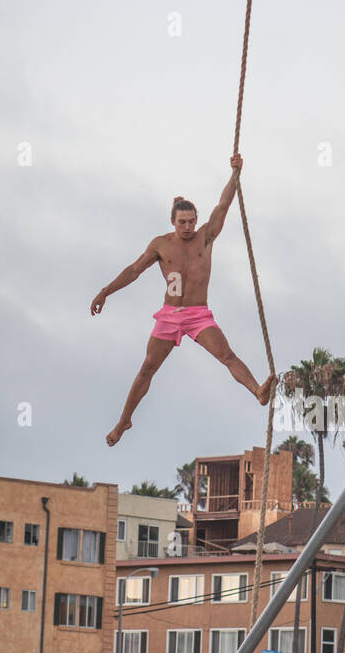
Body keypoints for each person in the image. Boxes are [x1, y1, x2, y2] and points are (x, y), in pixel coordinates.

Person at [91, 153, 275, 447]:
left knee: (226, 355)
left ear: (196, 221)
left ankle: (258, 392)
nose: (187, 227)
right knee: (147, 368)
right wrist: (105, 292)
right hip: (169, 316)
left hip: (198, 315)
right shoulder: (161, 244)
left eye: (191, 222)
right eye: (182, 222)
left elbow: (223, 205)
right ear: (172, 221)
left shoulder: (206, 237)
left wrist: (235, 174)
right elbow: (134, 270)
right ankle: (124, 420)